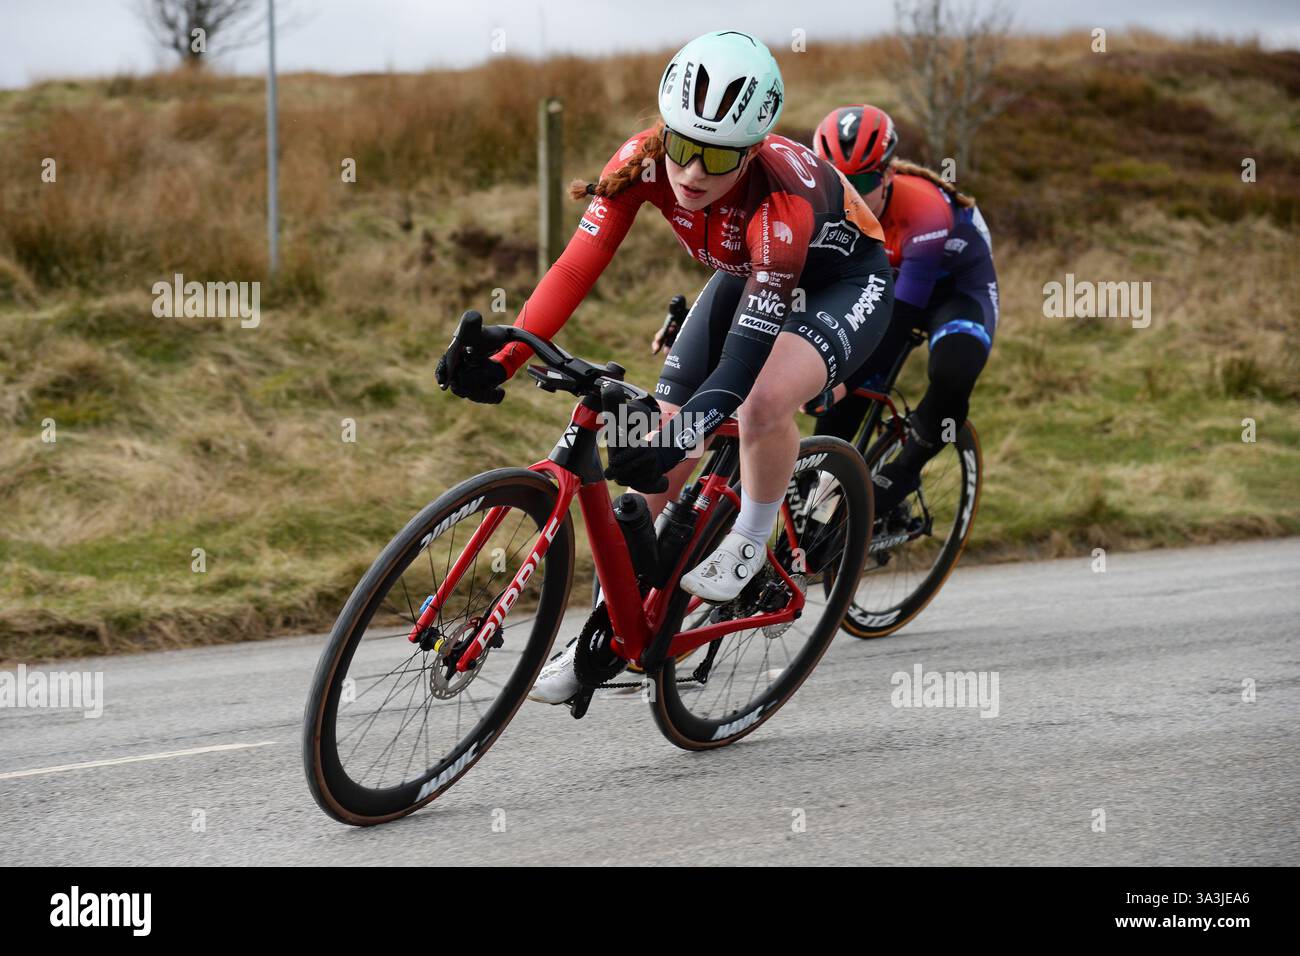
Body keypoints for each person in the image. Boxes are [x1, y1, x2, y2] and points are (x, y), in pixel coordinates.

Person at [437, 32, 895, 704]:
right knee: (656, 442)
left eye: (717, 156)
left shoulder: (781, 206)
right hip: (747, 273)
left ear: (753, 148)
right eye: (684, 145)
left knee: (761, 402)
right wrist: (506, 358)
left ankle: (750, 534)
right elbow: (573, 269)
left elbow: (741, 366)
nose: (693, 172)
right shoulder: (644, 160)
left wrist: (689, 433)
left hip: (843, 282)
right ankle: (612, 634)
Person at [810, 104, 998, 518]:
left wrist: (842, 383)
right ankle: (819, 506)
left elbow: (897, 321)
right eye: (838, 182)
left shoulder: (925, 210)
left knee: (953, 371)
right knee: (841, 394)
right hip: (887, 284)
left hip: (954, 291)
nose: (850, 196)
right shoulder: (821, 205)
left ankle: (905, 469)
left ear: (888, 174)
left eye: (861, 181)